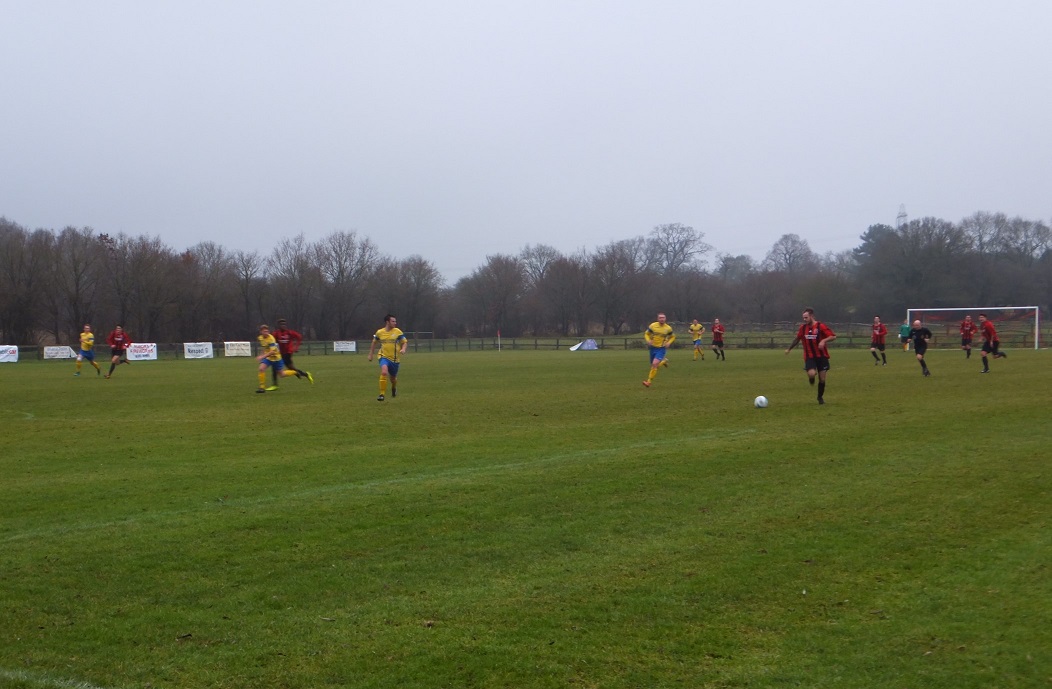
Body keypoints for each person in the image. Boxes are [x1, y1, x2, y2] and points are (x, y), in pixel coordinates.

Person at [785, 308, 836, 405]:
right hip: (810, 356)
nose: (804, 319)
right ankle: (811, 378)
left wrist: (823, 341)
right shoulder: (803, 328)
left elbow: (833, 336)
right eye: (803, 317)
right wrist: (789, 349)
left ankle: (820, 397)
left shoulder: (821, 326)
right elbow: (797, 339)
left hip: (821, 356)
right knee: (812, 373)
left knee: (822, 379)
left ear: (812, 316)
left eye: (806, 317)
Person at [255, 324, 310, 393]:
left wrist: (262, 356)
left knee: (282, 375)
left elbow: (272, 351)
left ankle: (295, 372)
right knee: (261, 369)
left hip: (276, 358)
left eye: (267, 331)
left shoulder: (271, 339)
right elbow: (264, 348)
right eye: (264, 331)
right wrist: (261, 354)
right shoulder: (260, 338)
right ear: (261, 332)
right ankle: (262, 388)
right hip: (268, 358)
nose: (266, 332)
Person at [368, 314, 408, 401]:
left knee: (393, 378)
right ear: (387, 322)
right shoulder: (379, 332)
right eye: (393, 321)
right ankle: (381, 394)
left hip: (395, 359)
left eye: (395, 321)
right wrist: (371, 354)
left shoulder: (397, 331)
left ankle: (394, 387)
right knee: (384, 372)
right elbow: (374, 342)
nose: (395, 323)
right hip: (383, 356)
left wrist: (403, 349)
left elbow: (404, 342)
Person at [271, 318, 312, 386]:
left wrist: (296, 347)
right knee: (289, 368)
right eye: (281, 324)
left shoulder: (289, 333)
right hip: (280, 353)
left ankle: (275, 385)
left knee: (277, 368)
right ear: (279, 326)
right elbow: (271, 341)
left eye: (284, 324)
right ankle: (305, 374)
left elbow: (299, 337)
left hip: (287, 353)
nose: (283, 326)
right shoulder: (276, 333)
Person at [642, 312, 675, 387]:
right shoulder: (653, 326)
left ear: (665, 319)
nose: (662, 319)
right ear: (657, 319)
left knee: (654, 364)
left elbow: (673, 336)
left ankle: (648, 382)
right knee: (653, 366)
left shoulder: (668, 328)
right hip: (653, 348)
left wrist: (669, 342)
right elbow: (646, 334)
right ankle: (663, 362)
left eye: (663, 318)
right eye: (660, 318)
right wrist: (648, 340)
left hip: (661, 348)